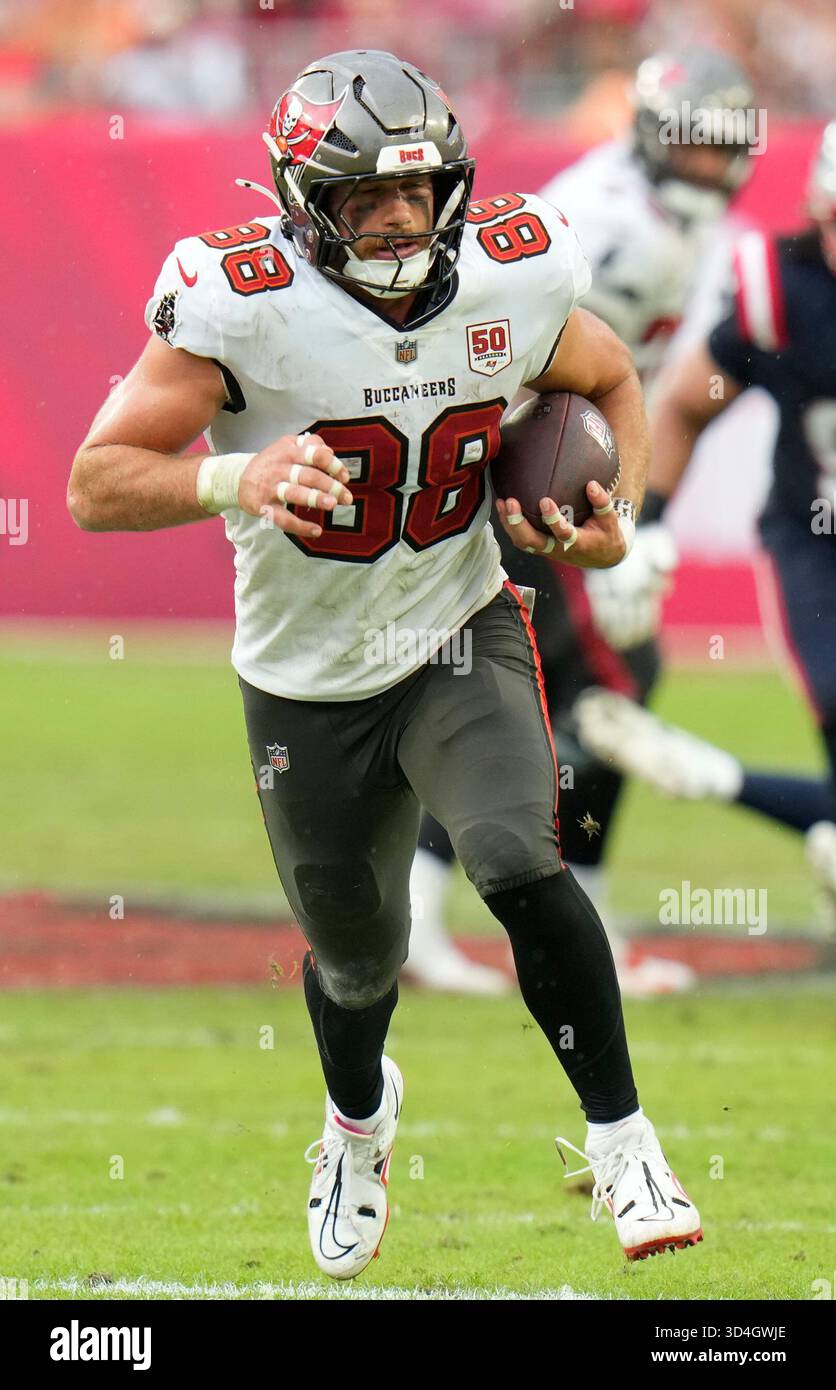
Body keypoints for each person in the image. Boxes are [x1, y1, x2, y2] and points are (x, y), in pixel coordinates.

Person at [67, 49, 702, 1279]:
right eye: (364, 198)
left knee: (516, 856)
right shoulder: (238, 299)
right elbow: (96, 481)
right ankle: (357, 1125)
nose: (397, 219)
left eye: (416, 191)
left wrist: (613, 513)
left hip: (458, 630)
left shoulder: (512, 271)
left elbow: (611, 377)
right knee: (358, 960)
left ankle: (623, 1142)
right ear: (304, 200)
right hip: (305, 677)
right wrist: (231, 473)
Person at [409, 48, 757, 996]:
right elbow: (529, 353)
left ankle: (437, 912)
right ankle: (548, 917)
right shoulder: (603, 219)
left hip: (556, 461)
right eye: (693, 149)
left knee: (555, 684)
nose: (708, 169)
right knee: (612, 677)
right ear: (651, 137)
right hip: (525, 453)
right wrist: (615, 514)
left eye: (724, 151)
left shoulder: (681, 225)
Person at [575, 120, 836, 917]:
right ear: (820, 209)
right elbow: (688, 405)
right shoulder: (782, 294)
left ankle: (707, 772)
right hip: (815, 541)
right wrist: (643, 522)